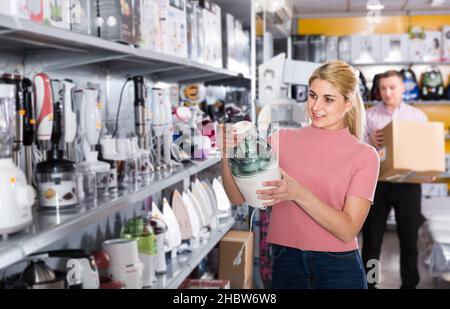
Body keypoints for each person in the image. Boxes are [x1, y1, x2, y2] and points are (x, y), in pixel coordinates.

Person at [218, 61, 379, 289]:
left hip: (337, 268)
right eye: (313, 95)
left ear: (348, 103)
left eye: (328, 99)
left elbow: (347, 230)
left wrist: (298, 193)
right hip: (287, 262)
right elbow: (236, 197)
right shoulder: (281, 140)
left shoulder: (364, 156)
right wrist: (226, 153)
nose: (316, 106)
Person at [362, 70, 428, 289]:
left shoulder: (417, 117)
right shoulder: (369, 116)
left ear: (402, 88)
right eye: (383, 88)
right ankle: (370, 284)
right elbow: (358, 152)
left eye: (392, 88)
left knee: (409, 240)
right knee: (372, 240)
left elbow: (424, 149)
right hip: (377, 184)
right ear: (378, 90)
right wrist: (369, 140)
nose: (387, 92)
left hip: (408, 185)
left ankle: (409, 284)